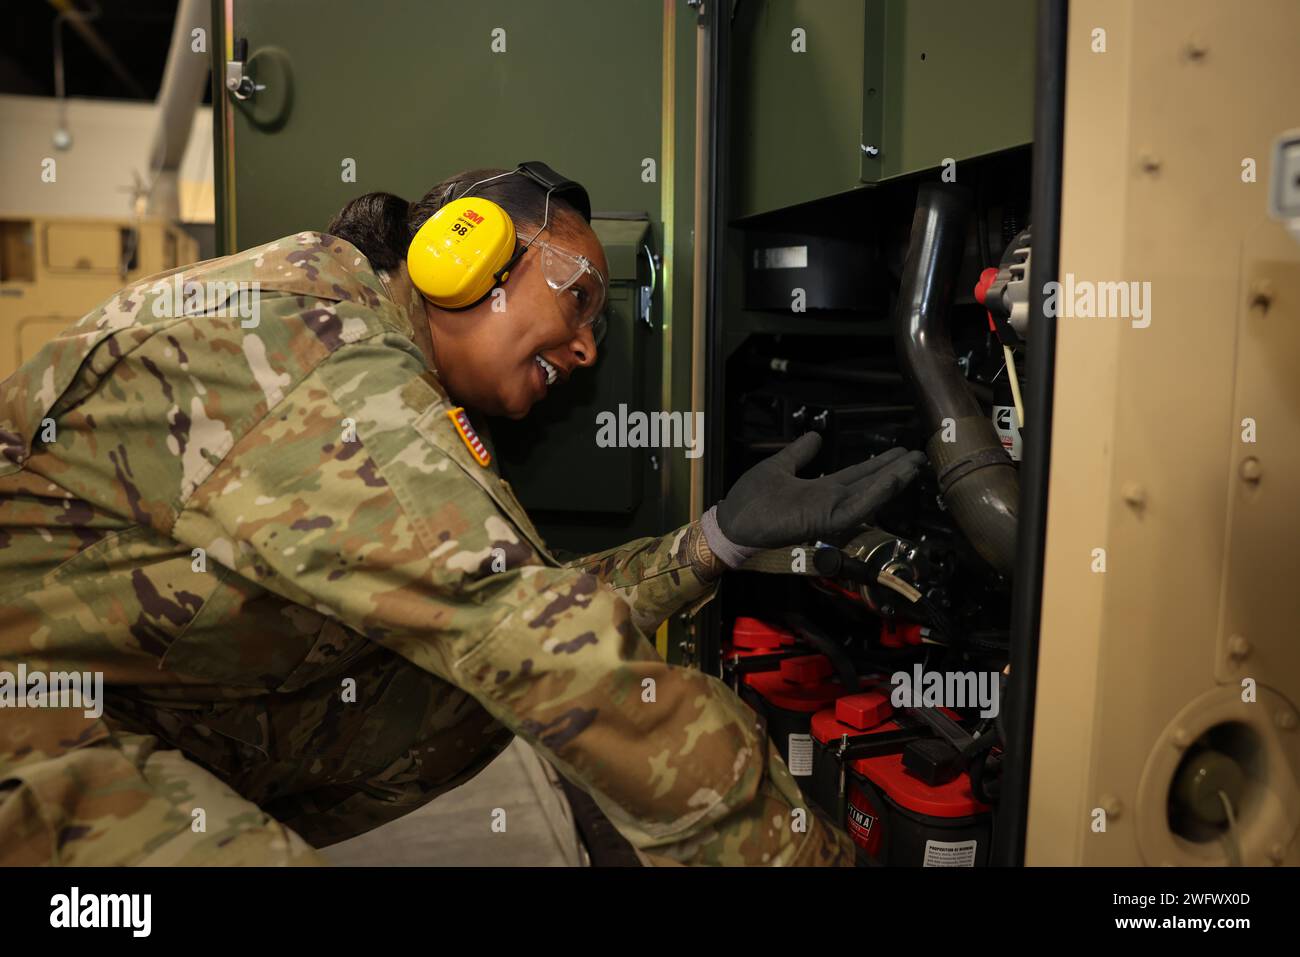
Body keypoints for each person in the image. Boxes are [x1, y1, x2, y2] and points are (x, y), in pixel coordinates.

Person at [0, 163, 924, 866]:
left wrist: (717, 536)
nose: (591, 345)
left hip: (100, 694)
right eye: (581, 295)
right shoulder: (325, 357)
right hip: (29, 727)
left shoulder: (350, 332)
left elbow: (519, 609)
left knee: (461, 694)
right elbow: (545, 644)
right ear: (466, 251)